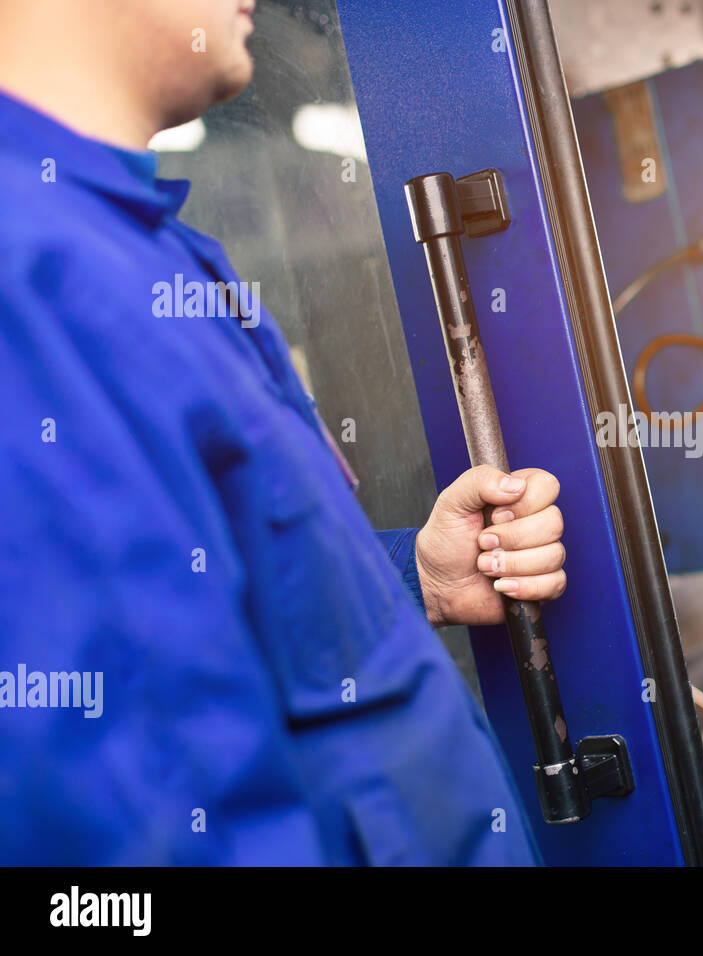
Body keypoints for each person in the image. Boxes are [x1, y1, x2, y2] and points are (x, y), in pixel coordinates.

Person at [0, 0, 565, 864]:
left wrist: (413, 577)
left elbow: (216, 600)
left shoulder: (150, 252)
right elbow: (128, 823)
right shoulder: (34, 279)